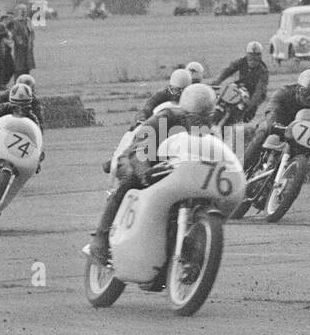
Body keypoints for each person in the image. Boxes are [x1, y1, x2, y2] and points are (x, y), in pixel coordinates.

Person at [85, 82, 217, 265]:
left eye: (207, 118)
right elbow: (138, 148)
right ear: (185, 113)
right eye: (196, 118)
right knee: (131, 180)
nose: (201, 123)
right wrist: (144, 172)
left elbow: (215, 158)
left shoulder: (210, 132)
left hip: (173, 169)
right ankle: (100, 238)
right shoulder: (166, 117)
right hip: (140, 159)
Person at [241, 68, 310, 172]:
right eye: (305, 93)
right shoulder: (284, 93)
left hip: (297, 136)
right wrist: (273, 123)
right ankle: (241, 168)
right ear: (298, 88)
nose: (309, 98)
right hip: (279, 125)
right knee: (263, 130)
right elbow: (272, 109)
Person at [211, 41, 269, 123]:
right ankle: (217, 112)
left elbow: (259, 90)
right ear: (247, 55)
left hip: (254, 93)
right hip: (241, 87)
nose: (253, 59)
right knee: (226, 94)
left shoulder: (263, 71)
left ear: (260, 57)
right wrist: (217, 81)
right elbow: (228, 70)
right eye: (251, 55)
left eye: (256, 56)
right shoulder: (242, 61)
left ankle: (238, 124)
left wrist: (250, 105)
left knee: (243, 115)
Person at [10, 9, 36, 76]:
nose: (23, 13)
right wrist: (20, 42)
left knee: (27, 65)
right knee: (19, 65)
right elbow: (15, 34)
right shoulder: (16, 21)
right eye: (22, 12)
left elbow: (32, 32)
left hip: (28, 47)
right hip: (20, 48)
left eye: (24, 12)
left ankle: (26, 81)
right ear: (18, 12)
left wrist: (31, 42)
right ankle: (18, 81)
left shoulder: (27, 21)